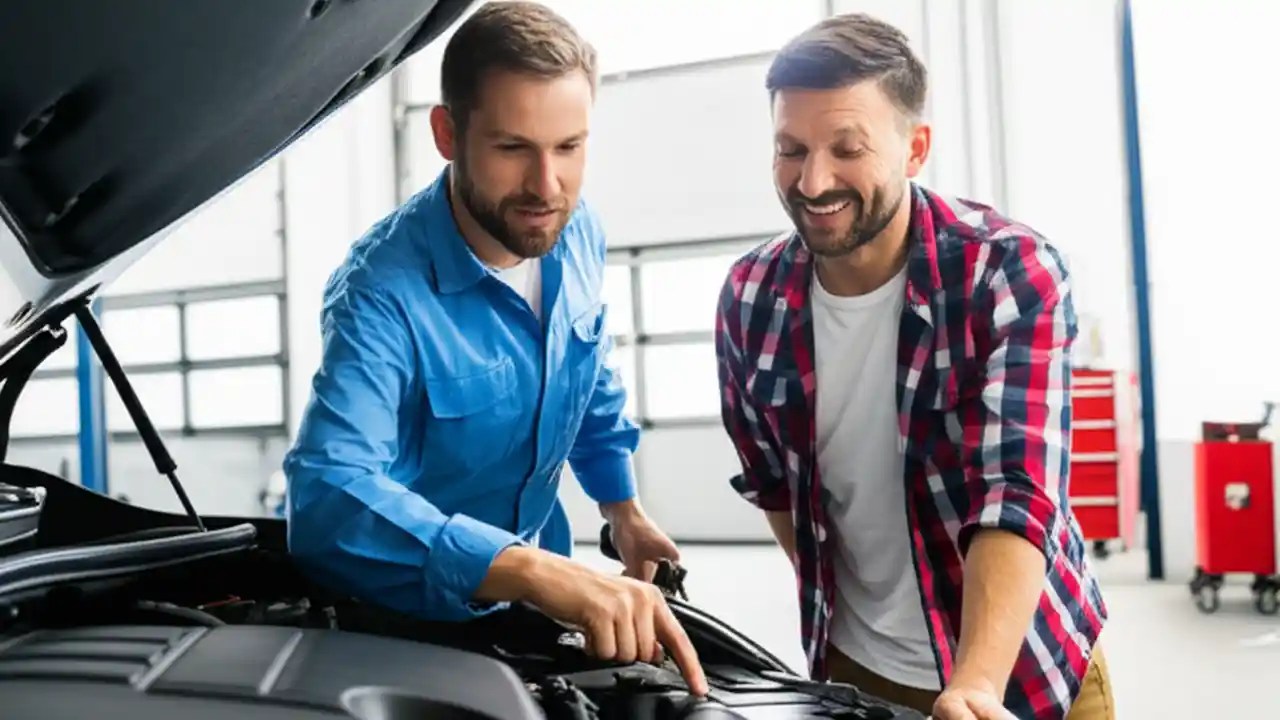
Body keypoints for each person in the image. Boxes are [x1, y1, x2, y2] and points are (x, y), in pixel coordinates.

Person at [283, 1, 706, 696]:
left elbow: (587, 367)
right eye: (513, 149)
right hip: (409, 634)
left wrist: (621, 510)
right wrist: (533, 569)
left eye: (569, 148)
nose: (547, 187)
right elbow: (329, 496)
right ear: (448, 133)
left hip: (539, 610)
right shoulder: (381, 292)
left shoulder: (576, 230)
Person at [714, 13, 1111, 720]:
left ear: (915, 147)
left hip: (1020, 672)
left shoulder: (1007, 273)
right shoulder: (751, 295)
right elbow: (775, 487)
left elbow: (1016, 491)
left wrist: (976, 683)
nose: (813, 180)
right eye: (790, 149)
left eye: (847, 148)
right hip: (854, 671)